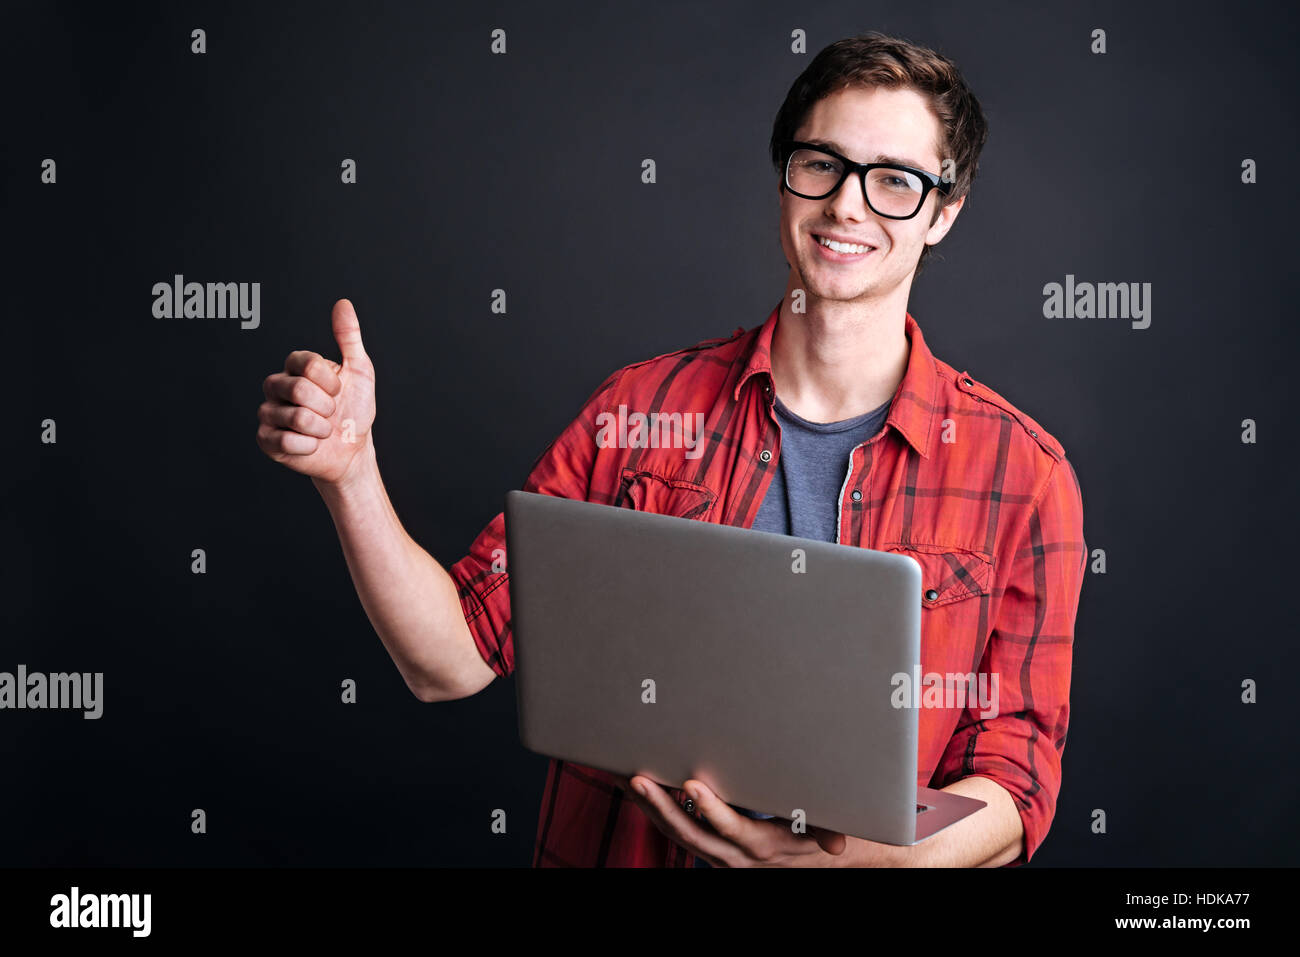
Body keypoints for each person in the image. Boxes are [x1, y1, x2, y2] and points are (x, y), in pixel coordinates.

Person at [255, 31, 1087, 868]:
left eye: (895, 181)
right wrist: (350, 473)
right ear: (784, 176)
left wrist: (848, 865)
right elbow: (453, 658)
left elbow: (1014, 782)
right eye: (821, 163)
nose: (847, 205)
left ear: (943, 212)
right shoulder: (638, 409)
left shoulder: (1026, 476)